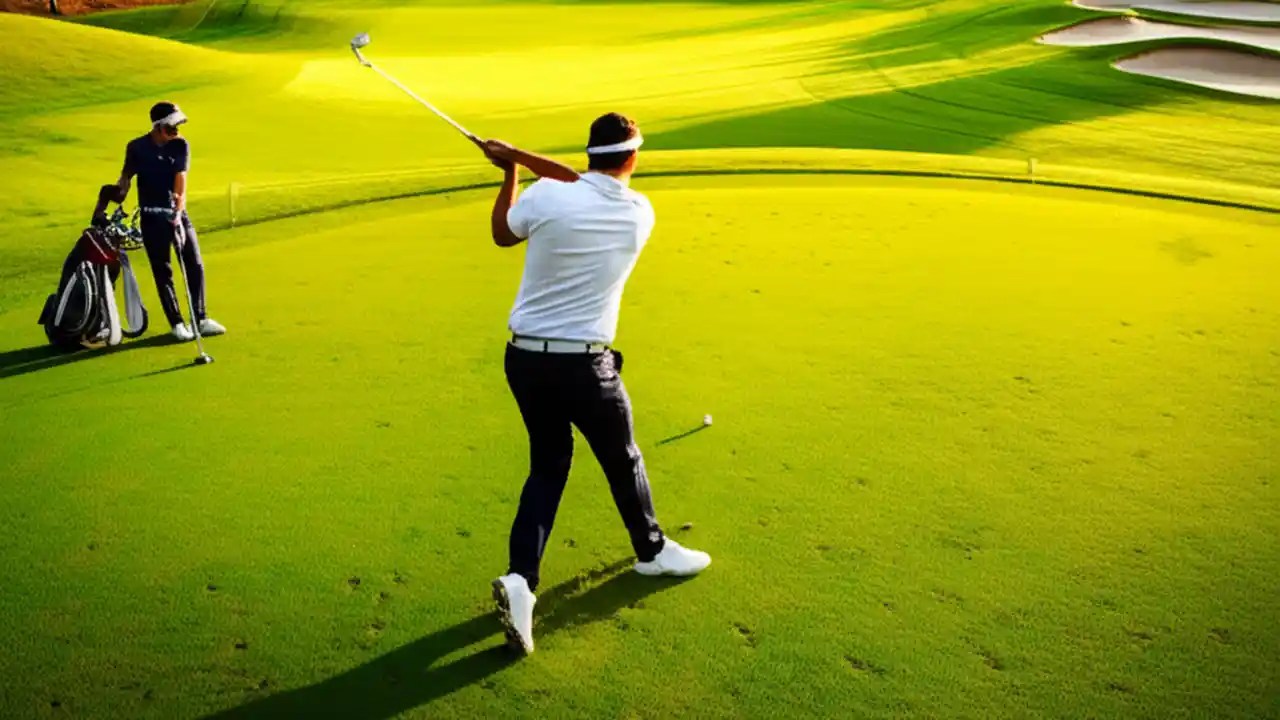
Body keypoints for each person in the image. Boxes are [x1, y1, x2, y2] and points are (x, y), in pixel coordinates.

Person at [480, 113, 711, 655]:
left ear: (589, 154)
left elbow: (501, 233)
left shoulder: (547, 197)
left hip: (524, 359)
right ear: (633, 157)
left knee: (548, 464)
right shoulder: (639, 212)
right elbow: (581, 182)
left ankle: (521, 579)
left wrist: (510, 168)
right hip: (585, 368)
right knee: (622, 457)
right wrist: (521, 155)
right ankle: (651, 551)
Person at [98, 101, 225, 341]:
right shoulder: (136, 148)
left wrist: (178, 210)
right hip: (150, 216)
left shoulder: (180, 146)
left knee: (194, 263)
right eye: (171, 127)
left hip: (177, 214)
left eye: (177, 126)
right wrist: (111, 196)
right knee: (162, 270)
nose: (176, 131)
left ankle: (200, 318)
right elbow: (125, 179)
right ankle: (176, 323)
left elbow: (180, 181)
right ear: (157, 127)